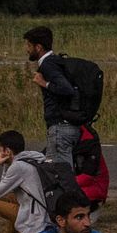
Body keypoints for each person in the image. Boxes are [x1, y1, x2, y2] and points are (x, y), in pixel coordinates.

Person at [24, 25, 79, 164]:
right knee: (58, 173)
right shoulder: (56, 61)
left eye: (29, 45)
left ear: (38, 47)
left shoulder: (48, 65)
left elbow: (67, 89)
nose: (27, 49)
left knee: (61, 175)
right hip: (66, 125)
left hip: (59, 127)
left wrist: (44, 83)